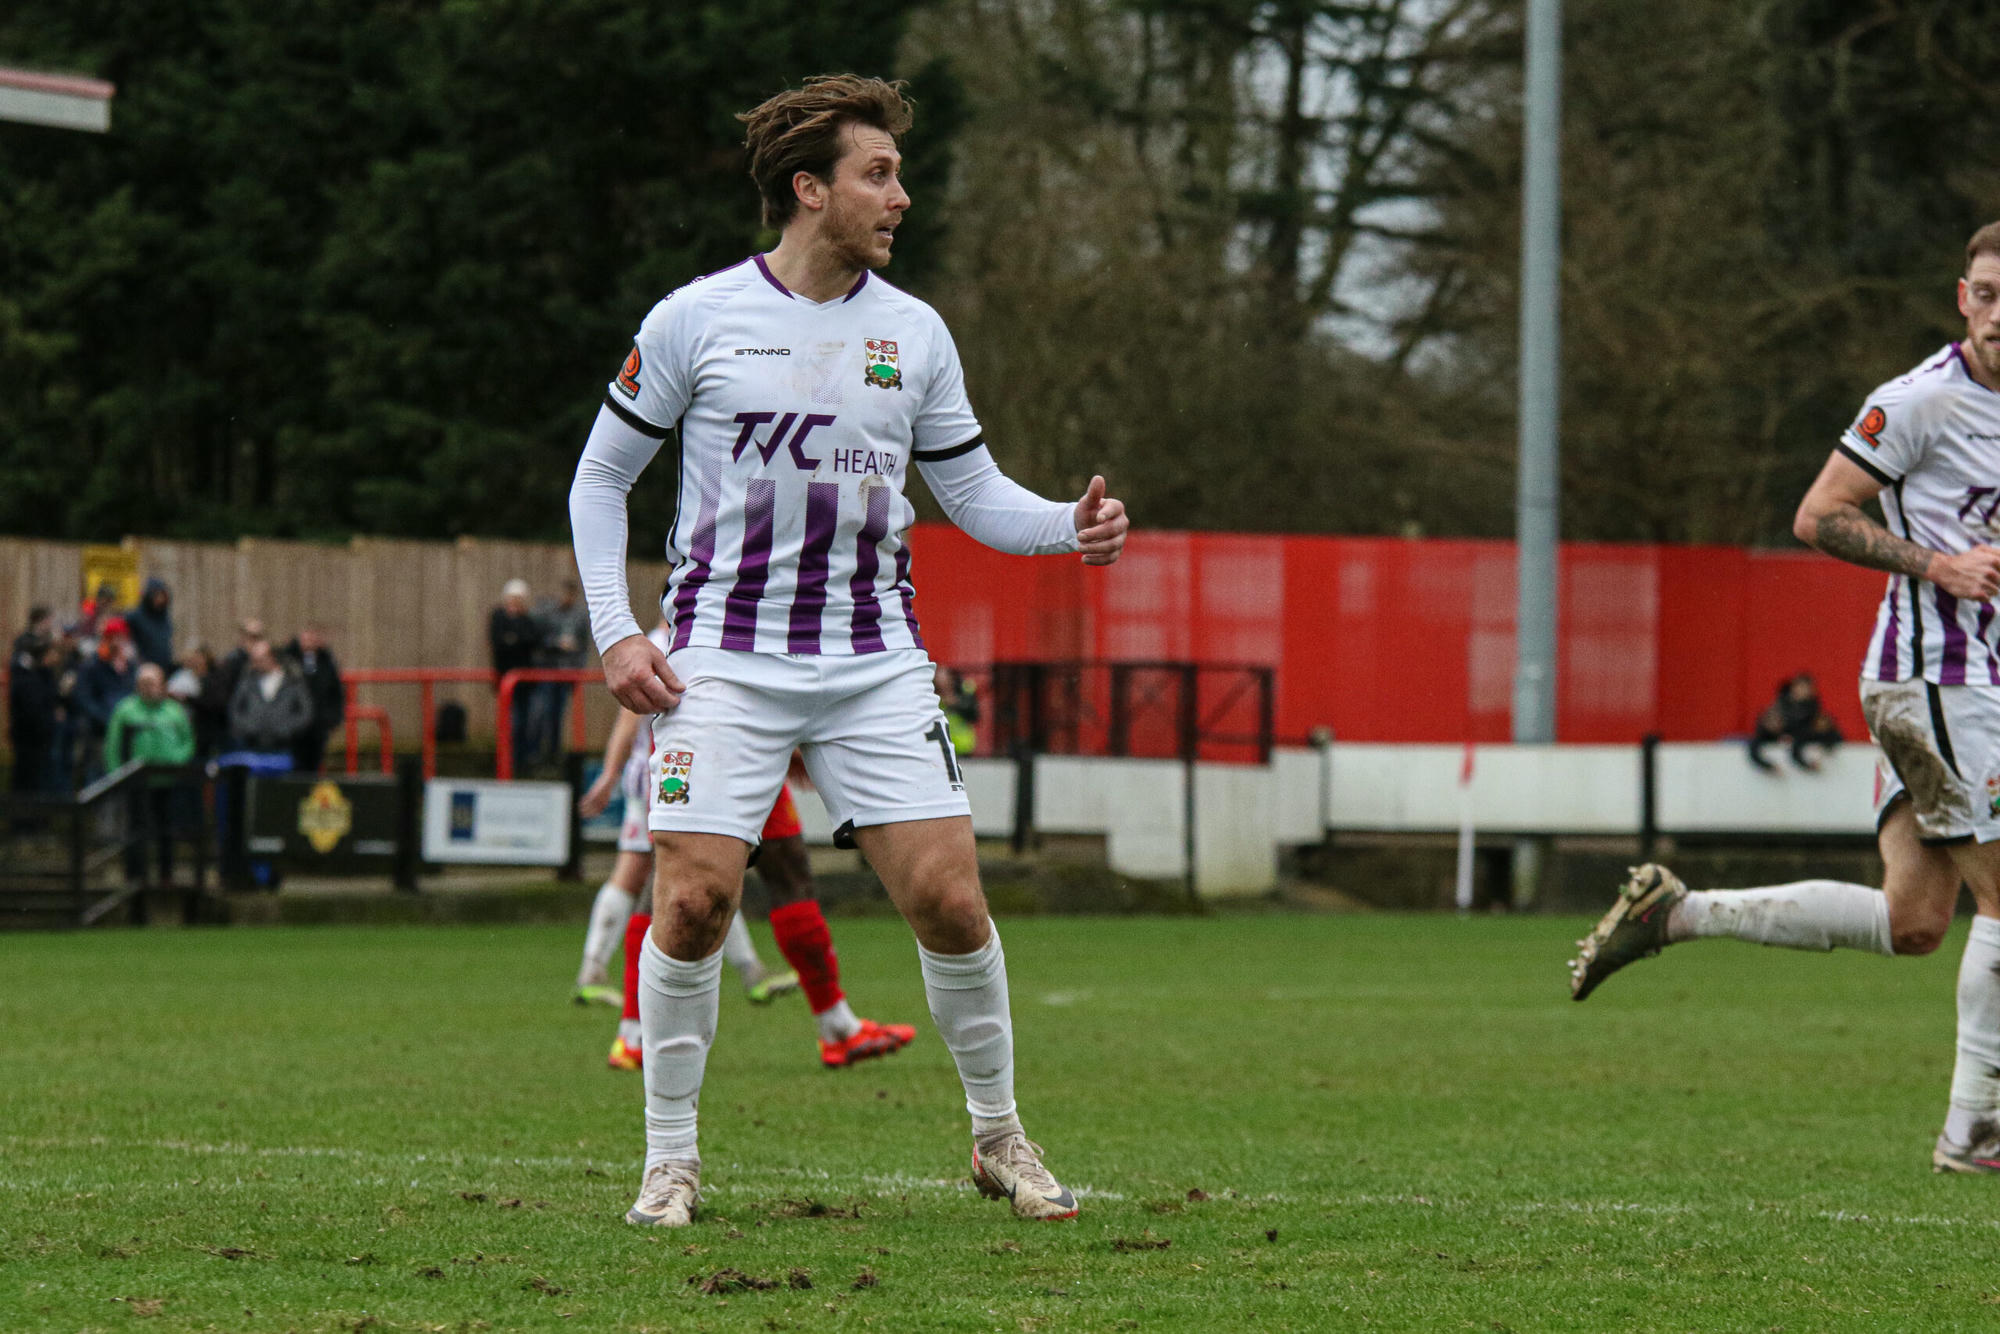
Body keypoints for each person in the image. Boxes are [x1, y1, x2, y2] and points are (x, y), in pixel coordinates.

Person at [569, 74, 1129, 1227]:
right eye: (877, 174)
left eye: (897, 174)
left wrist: (1065, 529)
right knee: (690, 905)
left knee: (950, 901)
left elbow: (970, 492)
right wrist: (616, 631)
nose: (900, 196)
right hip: (721, 657)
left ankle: (996, 1135)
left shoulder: (911, 332)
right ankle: (668, 1160)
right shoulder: (694, 318)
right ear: (808, 189)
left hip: (873, 660)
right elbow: (600, 479)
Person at [1569, 220, 2000, 1175]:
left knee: (1915, 922)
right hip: (1936, 680)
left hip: (1977, 690)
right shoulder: (1920, 402)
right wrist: (1941, 563)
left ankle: (1676, 916)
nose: (1998, 314)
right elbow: (1818, 515)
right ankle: (1974, 1133)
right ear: (1959, 298)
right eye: (1986, 293)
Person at [104, 663, 197, 886]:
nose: (148, 688)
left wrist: (177, 762)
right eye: (143, 683)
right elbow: (113, 746)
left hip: (167, 781)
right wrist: (118, 774)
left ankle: (166, 875)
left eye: (152, 683)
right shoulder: (125, 710)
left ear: (162, 684)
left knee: (166, 830)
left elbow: (187, 741)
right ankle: (135, 876)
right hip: (136, 782)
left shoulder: (174, 711)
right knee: (136, 830)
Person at [72, 617, 137, 781]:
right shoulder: (92, 665)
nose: (117, 641)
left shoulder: (130, 665)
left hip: (125, 730)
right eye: (113, 637)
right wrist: (106, 718)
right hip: (99, 730)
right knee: (97, 774)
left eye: (121, 637)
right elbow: (84, 698)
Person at [533, 580, 591, 766]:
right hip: (549, 670)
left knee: (558, 715)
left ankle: (553, 755)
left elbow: (584, 646)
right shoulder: (549, 613)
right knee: (542, 712)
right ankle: (536, 754)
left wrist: (578, 671)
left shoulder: (580, 617)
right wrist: (557, 643)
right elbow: (538, 639)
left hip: (568, 672)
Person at [489, 579, 540, 774]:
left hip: (524, 683)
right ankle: (504, 762)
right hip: (505, 680)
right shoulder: (499, 617)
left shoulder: (527, 620)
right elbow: (499, 642)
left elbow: (531, 640)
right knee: (509, 723)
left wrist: (514, 639)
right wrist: (516, 640)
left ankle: (520, 762)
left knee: (525, 723)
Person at [227, 639, 312, 756]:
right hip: (252, 743)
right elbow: (235, 708)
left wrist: (287, 729)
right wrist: (248, 727)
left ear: (272, 658)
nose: (255, 664)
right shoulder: (247, 681)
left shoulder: (293, 680)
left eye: (259, 660)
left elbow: (305, 711)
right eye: (253, 660)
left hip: (285, 744)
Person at [1747, 672, 1843, 771]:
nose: (1804, 691)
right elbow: (1767, 725)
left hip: (1801, 738)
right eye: (1801, 687)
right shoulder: (1781, 705)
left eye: (1807, 688)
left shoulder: (1813, 707)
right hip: (1781, 737)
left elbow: (1820, 728)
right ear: (1794, 688)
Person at [8, 613, 59, 798]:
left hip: (38, 738)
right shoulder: (27, 679)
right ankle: (24, 822)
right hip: (28, 738)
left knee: (36, 780)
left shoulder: (42, 675)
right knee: (26, 781)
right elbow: (32, 710)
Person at [283, 626, 346, 774]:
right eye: (306, 637)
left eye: (313, 638)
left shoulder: (327, 663)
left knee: (314, 766)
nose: (309, 641)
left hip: (318, 725)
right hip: (294, 725)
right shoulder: (289, 660)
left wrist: (333, 719)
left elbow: (336, 693)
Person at [126, 578, 175, 672]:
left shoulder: (165, 618)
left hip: (163, 668)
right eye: (157, 595)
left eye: (162, 595)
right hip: (143, 668)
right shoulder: (135, 617)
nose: (160, 599)